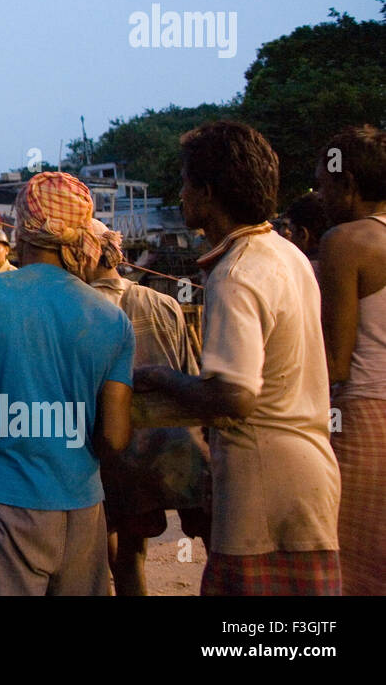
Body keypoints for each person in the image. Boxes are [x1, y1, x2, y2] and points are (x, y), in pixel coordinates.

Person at [140, 121, 341, 595]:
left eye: (187, 182)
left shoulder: (236, 272)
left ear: (208, 192)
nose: (182, 194)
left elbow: (234, 395)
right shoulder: (286, 254)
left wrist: (159, 376)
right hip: (307, 469)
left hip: (263, 478)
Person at [0, 172, 133, 596]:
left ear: (21, 228)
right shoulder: (113, 318)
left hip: (1, 508)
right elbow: (114, 436)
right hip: (82, 510)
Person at [85, 219, 210, 596]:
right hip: (181, 448)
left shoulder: (83, 311)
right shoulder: (164, 302)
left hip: (122, 455)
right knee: (212, 543)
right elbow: (190, 373)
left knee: (129, 552)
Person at [316, 124, 386, 595]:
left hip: (362, 413)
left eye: (323, 183)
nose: (318, 194)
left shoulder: (344, 242)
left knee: (354, 568)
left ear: (350, 184)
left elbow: (335, 365)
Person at [282, 192, 331, 274]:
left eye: (291, 231)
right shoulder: (343, 262)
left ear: (303, 235)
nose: (287, 235)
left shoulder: (296, 273)